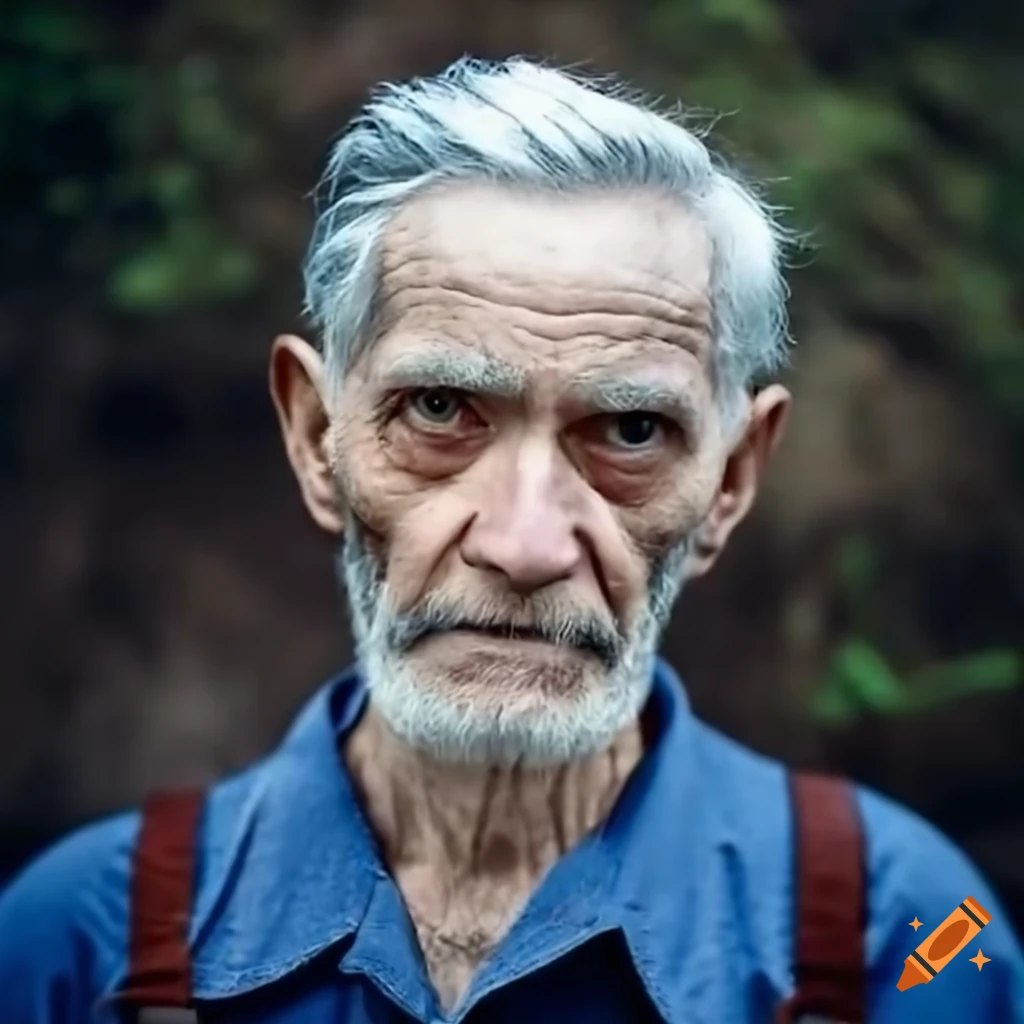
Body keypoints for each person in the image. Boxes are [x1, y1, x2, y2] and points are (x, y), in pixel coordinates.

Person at [0, 57, 1022, 1024]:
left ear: (730, 481)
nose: (526, 543)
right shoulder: (67, 948)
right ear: (318, 439)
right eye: (440, 409)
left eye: (628, 431)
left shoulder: (921, 935)